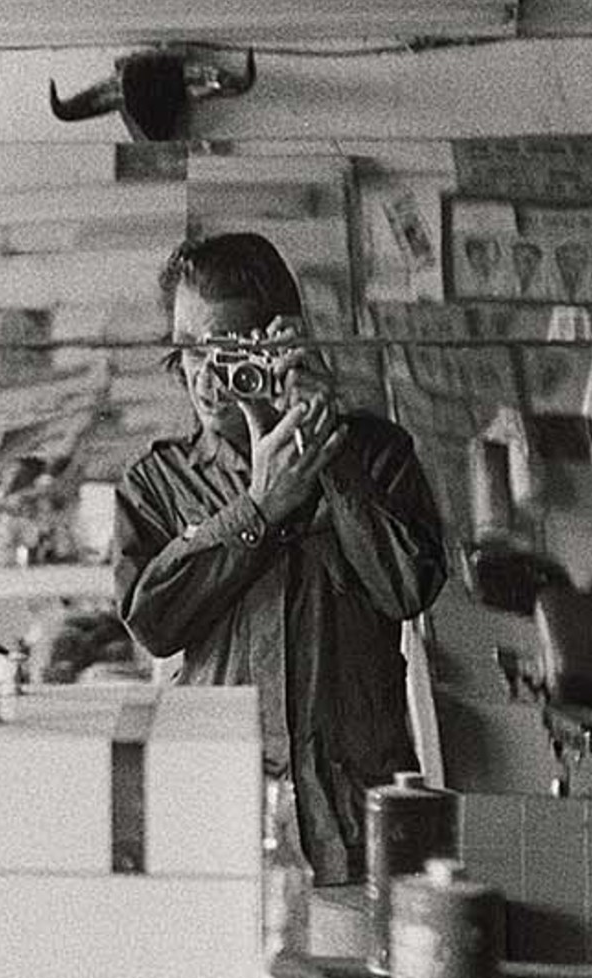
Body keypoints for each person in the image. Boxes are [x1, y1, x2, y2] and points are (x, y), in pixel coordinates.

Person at [115, 234, 448, 887]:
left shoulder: (375, 454)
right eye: (187, 348)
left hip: (358, 822)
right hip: (216, 820)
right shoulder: (155, 483)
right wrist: (259, 509)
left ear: (276, 344)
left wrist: (328, 451)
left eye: (227, 349)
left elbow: (407, 587)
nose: (205, 374)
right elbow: (152, 621)